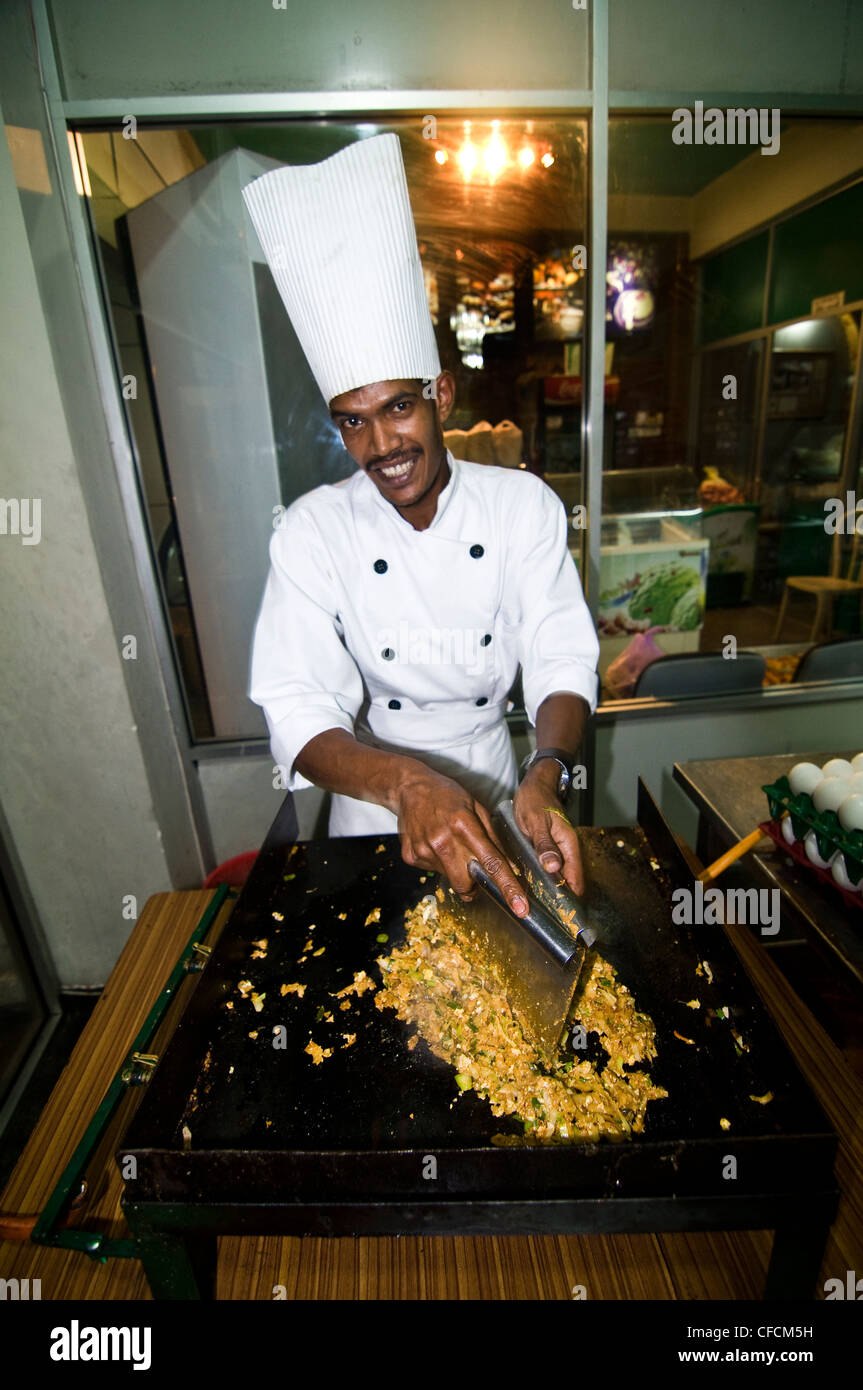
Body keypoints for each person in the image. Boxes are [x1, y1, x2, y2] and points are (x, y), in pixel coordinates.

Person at [243, 134, 599, 919]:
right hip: (373, 807)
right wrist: (405, 785)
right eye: (353, 423)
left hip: (501, 783)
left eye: (397, 408)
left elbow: (559, 651)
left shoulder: (521, 507)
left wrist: (546, 772)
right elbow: (298, 705)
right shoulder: (312, 530)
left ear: (439, 395)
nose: (380, 447)